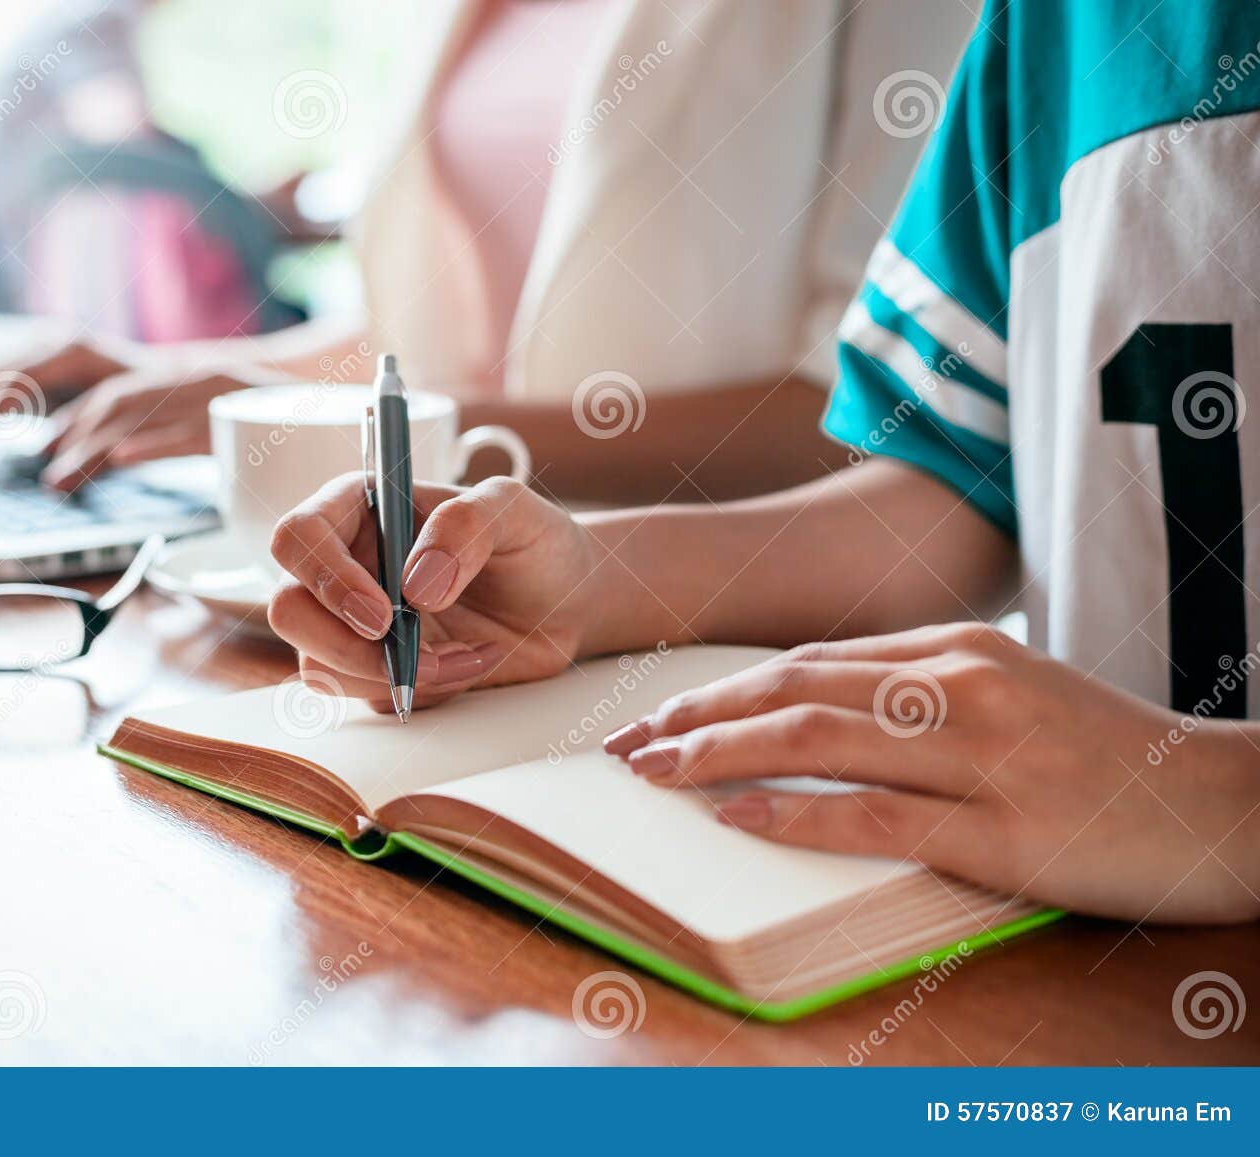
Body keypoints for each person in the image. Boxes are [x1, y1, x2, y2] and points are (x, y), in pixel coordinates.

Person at [263, 0, 1260, 925]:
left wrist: (1219, 799)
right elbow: (955, 486)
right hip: (1080, 935)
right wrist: (586, 580)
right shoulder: (1051, 24)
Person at [0, 0, 974, 500]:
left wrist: (370, 433)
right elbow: (425, 342)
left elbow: (860, 420)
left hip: (714, 644)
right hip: (436, 584)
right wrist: (176, 378)